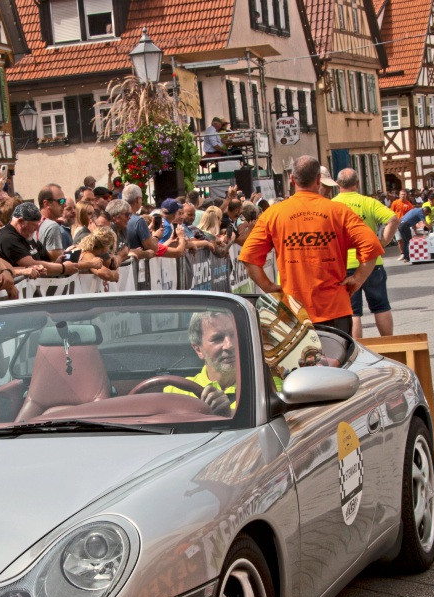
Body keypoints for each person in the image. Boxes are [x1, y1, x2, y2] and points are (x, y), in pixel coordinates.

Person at [240, 156, 383, 335]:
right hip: (334, 307)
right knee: (335, 362)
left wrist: (269, 287)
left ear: (292, 179)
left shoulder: (274, 214)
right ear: (318, 180)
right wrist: (358, 278)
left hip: (293, 308)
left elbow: (249, 258)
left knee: (299, 363)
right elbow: (371, 245)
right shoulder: (338, 212)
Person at [331, 168, 399, 338]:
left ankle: (357, 350)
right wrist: (382, 242)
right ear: (358, 183)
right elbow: (393, 219)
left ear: (338, 185)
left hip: (345, 264)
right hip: (372, 262)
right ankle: (389, 343)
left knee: (353, 312)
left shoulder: (332, 205)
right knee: (381, 306)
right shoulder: (368, 202)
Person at [163, 309, 238, 416]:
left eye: (234, 335)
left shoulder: (262, 386)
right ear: (198, 349)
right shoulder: (176, 392)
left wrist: (231, 414)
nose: (229, 345)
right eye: (218, 338)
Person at [0, 202, 68, 277]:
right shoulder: (8, 238)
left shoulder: (27, 235)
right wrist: (63, 268)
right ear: (21, 221)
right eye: (34, 225)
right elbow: (30, 263)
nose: (36, 229)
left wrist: (56, 263)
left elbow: (44, 259)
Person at [35, 183, 67, 261]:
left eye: (64, 200)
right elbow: (57, 261)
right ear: (46, 203)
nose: (65, 205)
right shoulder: (52, 226)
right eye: (61, 201)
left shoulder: (33, 222)